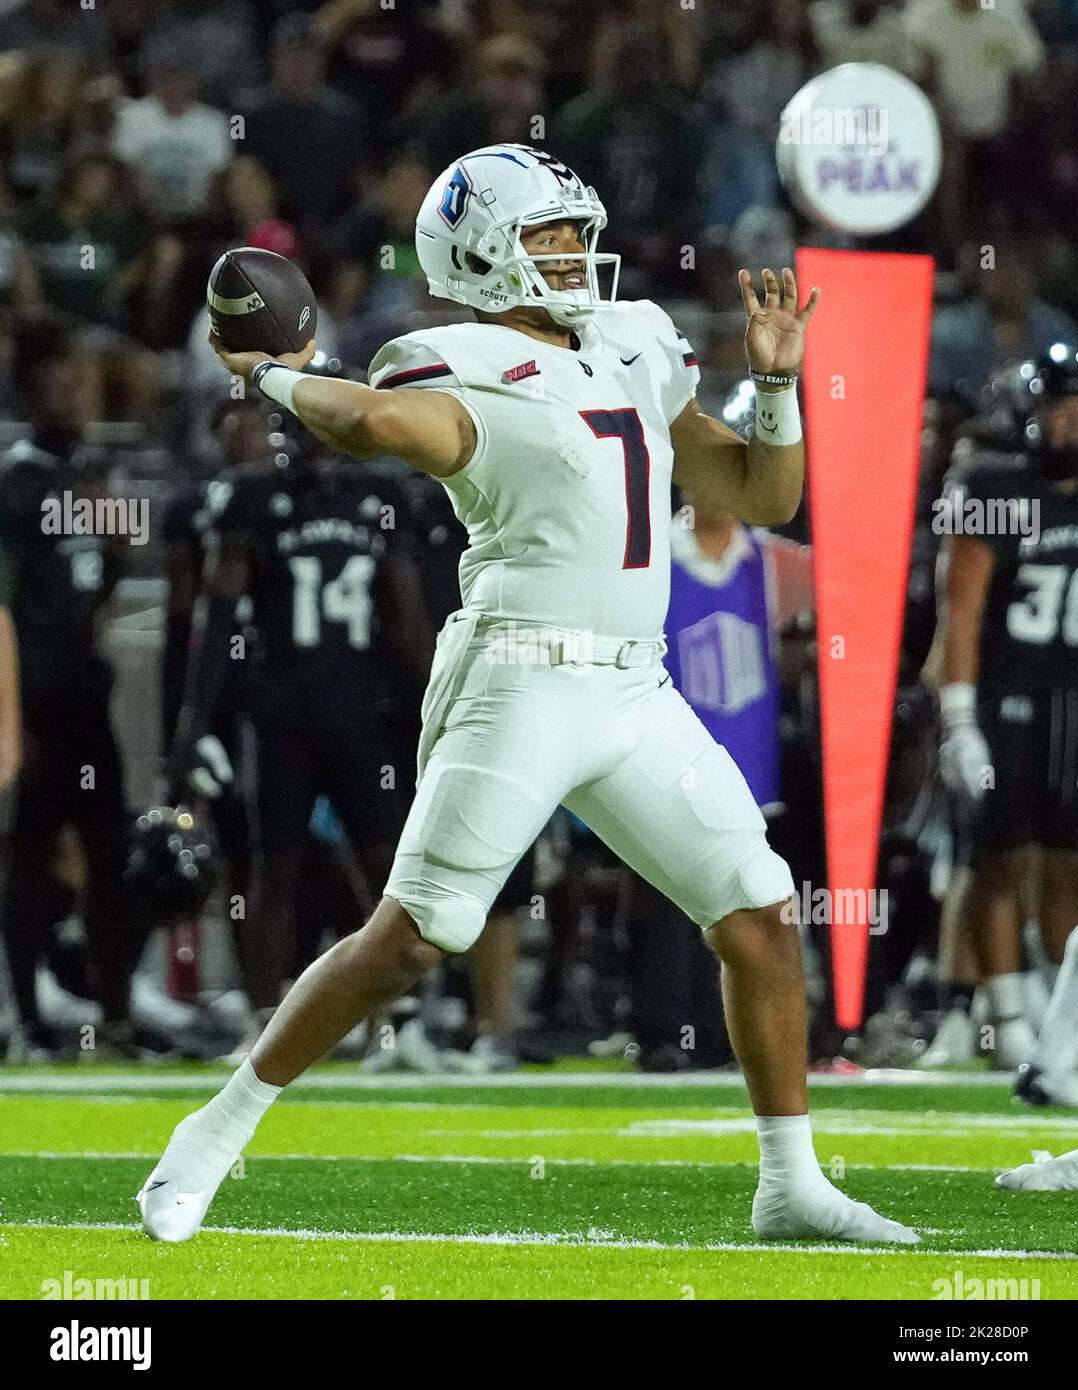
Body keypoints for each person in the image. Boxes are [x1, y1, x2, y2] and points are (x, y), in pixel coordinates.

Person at [138, 142, 916, 1247]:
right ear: (477, 250)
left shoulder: (633, 343)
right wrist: (268, 371)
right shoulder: (443, 355)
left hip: (635, 684)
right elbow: (376, 425)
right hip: (522, 672)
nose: (571, 253)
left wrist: (779, 383)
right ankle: (210, 1135)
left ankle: (790, 1182)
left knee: (759, 911)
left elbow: (760, 494)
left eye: (573, 231)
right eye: (546, 236)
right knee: (413, 936)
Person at [169, 425, 431, 1051]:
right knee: (273, 870)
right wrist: (195, 725)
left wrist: (433, 711)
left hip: (359, 713)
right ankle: (265, 1021)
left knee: (389, 873)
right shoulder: (252, 499)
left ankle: (399, 1023)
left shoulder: (379, 496)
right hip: (282, 717)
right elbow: (220, 614)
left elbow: (407, 618)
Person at [0, 318, 151, 1059]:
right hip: (35, 700)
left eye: (83, 381)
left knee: (111, 853)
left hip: (88, 695)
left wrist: (89, 623)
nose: (77, 395)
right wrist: (10, 710)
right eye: (60, 382)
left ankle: (115, 1017)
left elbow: (119, 560)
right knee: (30, 859)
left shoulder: (92, 474)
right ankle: (24, 1018)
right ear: (29, 394)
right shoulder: (15, 482)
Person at [936, 346, 1078, 1075]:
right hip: (1007, 700)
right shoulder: (996, 485)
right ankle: (1008, 1020)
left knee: (1065, 866)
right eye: (1057, 406)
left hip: (1072, 702)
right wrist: (959, 719)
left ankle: (1059, 1018)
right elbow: (959, 614)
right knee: (998, 859)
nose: (1066, 421)